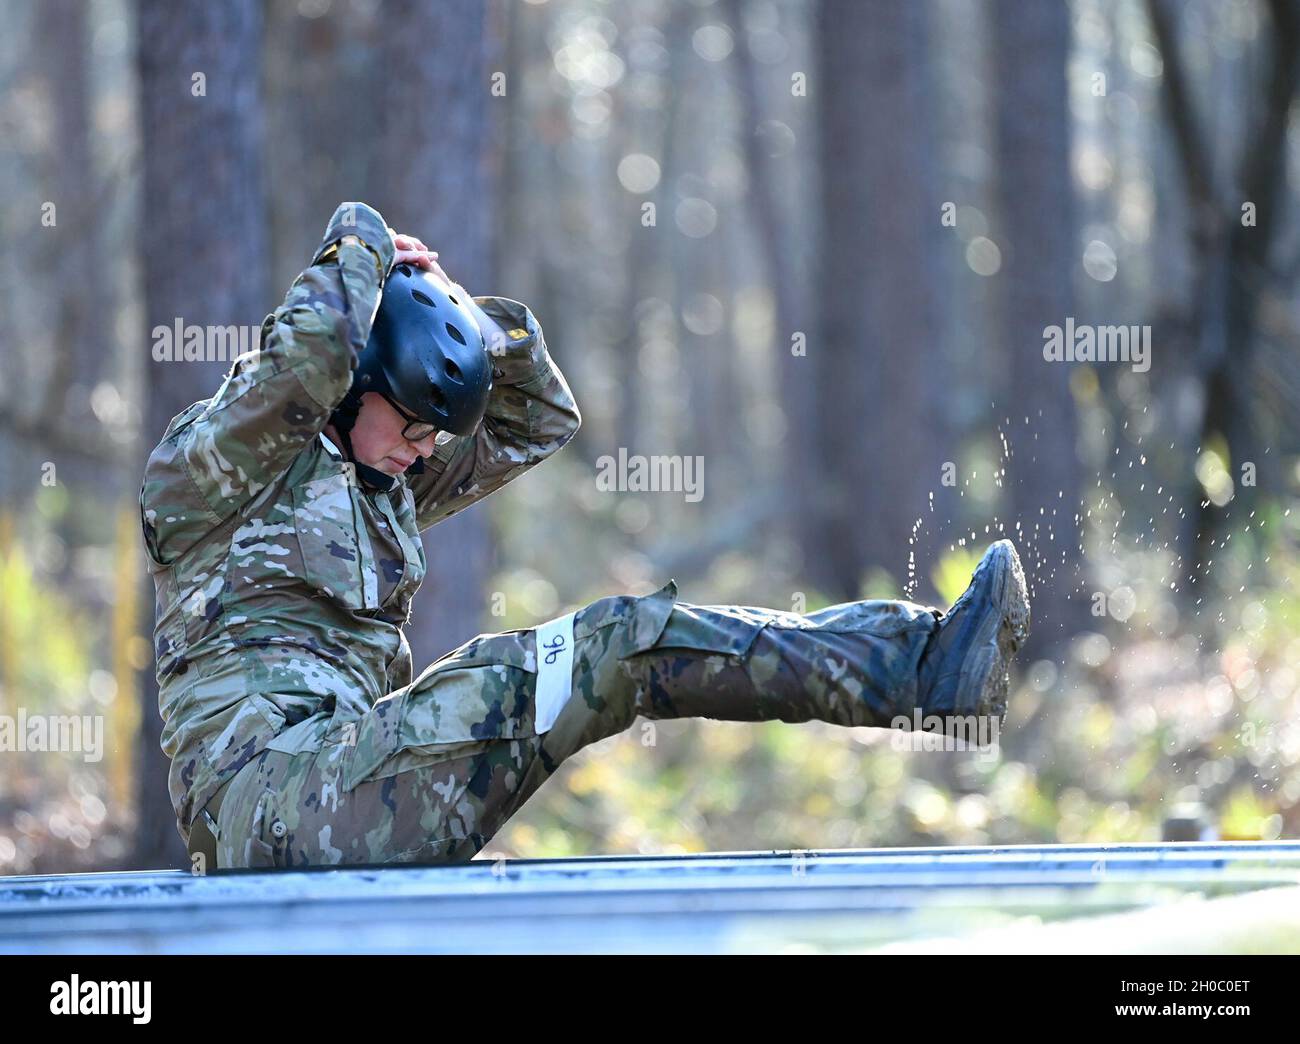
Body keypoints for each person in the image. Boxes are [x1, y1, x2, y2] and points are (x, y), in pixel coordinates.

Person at [139, 201, 1031, 870]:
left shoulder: (380, 485)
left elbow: (536, 419)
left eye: (429, 439)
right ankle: (923, 674)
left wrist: (459, 313)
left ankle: (923, 667)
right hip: (273, 805)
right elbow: (300, 364)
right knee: (613, 648)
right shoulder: (211, 473)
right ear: (352, 382)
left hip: (349, 775)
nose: (419, 455)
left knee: (619, 644)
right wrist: (366, 242)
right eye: (408, 425)